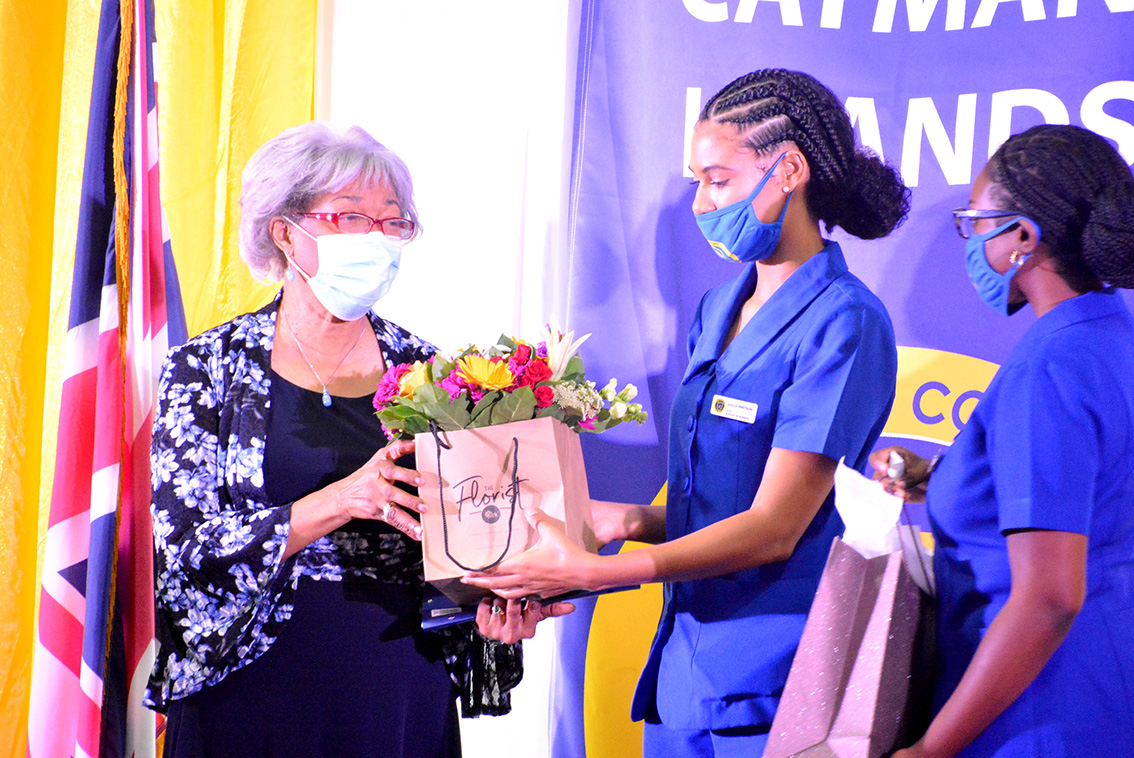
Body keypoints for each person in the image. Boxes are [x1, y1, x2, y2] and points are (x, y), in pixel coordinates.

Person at [464, 69, 910, 756]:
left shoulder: (846, 322)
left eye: (718, 180)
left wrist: (593, 573)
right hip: (684, 674)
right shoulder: (717, 310)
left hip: (777, 679)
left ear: (789, 170)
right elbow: (725, 501)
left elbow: (776, 528)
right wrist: (626, 522)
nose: (701, 203)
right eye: (697, 181)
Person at [145, 121, 561, 757]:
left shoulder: (436, 375)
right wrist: (342, 499)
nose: (376, 239)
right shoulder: (208, 370)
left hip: (397, 682)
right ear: (285, 232)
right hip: (250, 689)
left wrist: (495, 601)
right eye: (351, 218)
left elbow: (467, 544)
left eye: (393, 222)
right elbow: (183, 553)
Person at [872, 124, 1134, 758]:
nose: (970, 242)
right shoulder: (1113, 337)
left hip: (1038, 713)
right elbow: (1093, 492)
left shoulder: (1048, 366)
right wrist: (941, 479)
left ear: (1022, 237)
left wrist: (930, 749)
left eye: (974, 223)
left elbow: (1049, 598)